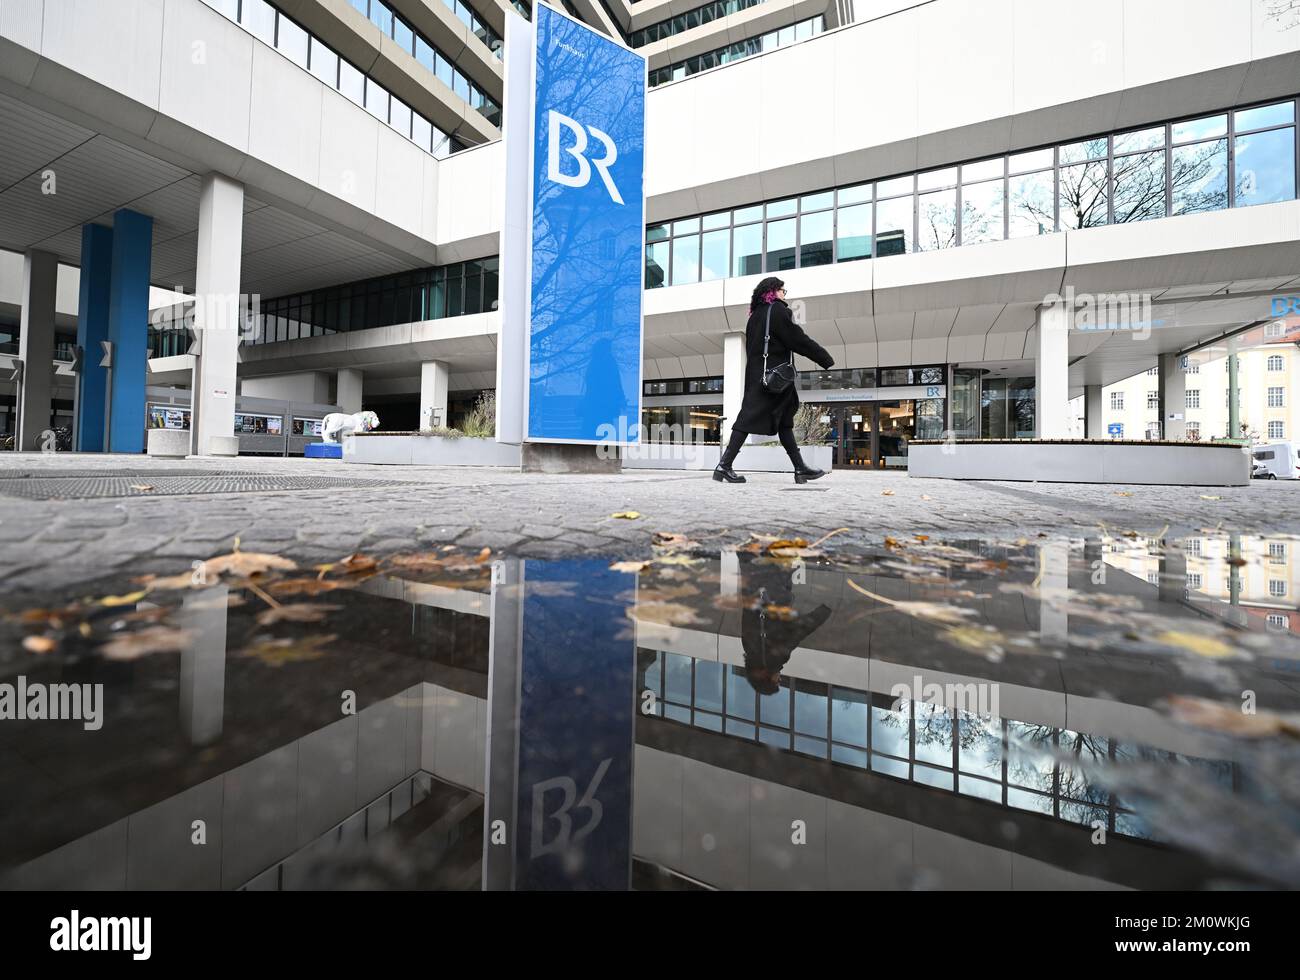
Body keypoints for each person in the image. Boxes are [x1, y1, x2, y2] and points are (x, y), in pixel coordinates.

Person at [714, 276, 835, 484]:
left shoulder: (754, 317)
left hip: (759, 377)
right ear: (773, 291)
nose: (783, 295)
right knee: (746, 420)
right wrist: (824, 358)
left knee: (783, 420)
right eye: (782, 291)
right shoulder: (778, 311)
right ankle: (724, 466)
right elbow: (798, 339)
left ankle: (799, 468)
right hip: (775, 380)